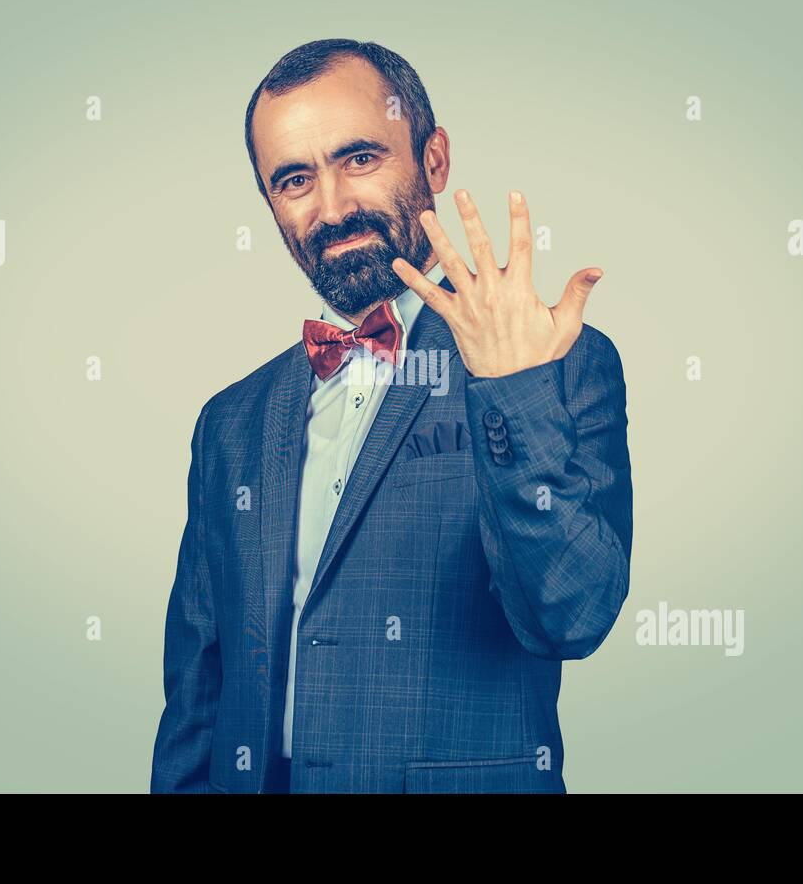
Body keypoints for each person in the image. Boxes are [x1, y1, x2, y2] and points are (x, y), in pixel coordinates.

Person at [151, 39, 633, 794]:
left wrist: (510, 386)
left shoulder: (557, 359)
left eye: (360, 159)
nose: (333, 206)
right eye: (295, 178)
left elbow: (572, 615)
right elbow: (197, 694)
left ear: (433, 161)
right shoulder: (229, 423)